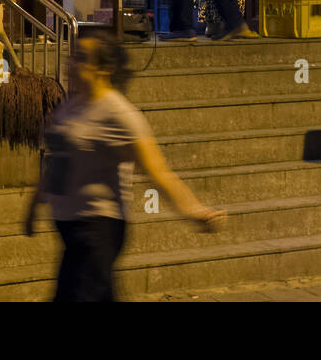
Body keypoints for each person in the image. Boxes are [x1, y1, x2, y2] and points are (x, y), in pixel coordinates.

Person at [24, 34, 225, 301]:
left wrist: (195, 211)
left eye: (82, 58)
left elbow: (157, 171)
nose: (72, 64)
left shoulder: (119, 114)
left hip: (97, 228)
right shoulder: (70, 107)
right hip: (70, 228)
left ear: (103, 69)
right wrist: (34, 206)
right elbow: (56, 162)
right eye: (73, 57)